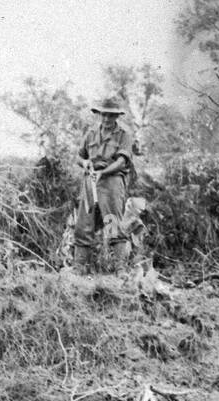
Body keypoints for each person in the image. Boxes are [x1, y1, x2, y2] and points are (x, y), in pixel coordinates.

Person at [74, 97, 136, 275]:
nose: (107, 119)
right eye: (104, 115)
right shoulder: (91, 133)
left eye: (111, 116)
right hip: (90, 179)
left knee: (113, 223)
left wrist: (105, 172)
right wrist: (85, 163)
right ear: (99, 114)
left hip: (112, 180)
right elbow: (79, 156)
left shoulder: (124, 134)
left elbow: (122, 161)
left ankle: (120, 269)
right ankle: (78, 269)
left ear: (117, 116)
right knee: (83, 224)